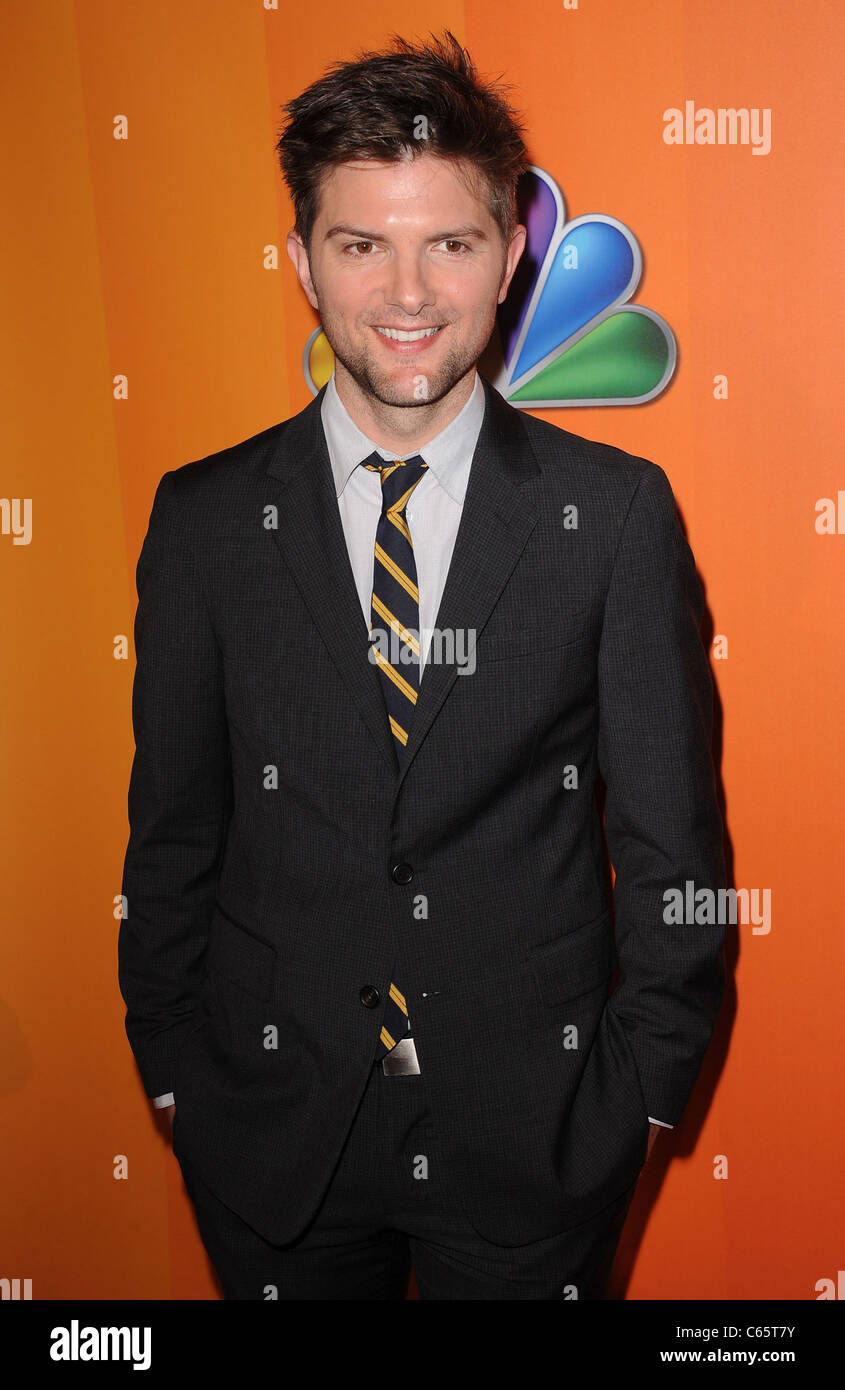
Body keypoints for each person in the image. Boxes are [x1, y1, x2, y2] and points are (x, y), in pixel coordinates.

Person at [118, 31, 726, 1300]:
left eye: (447, 243)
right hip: (273, 1134)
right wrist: (176, 1071)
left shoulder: (610, 516)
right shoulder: (208, 520)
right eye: (360, 245)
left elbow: (676, 853)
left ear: (508, 257)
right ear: (301, 262)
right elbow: (174, 835)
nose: (406, 292)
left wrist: (639, 1099)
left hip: (533, 1137)